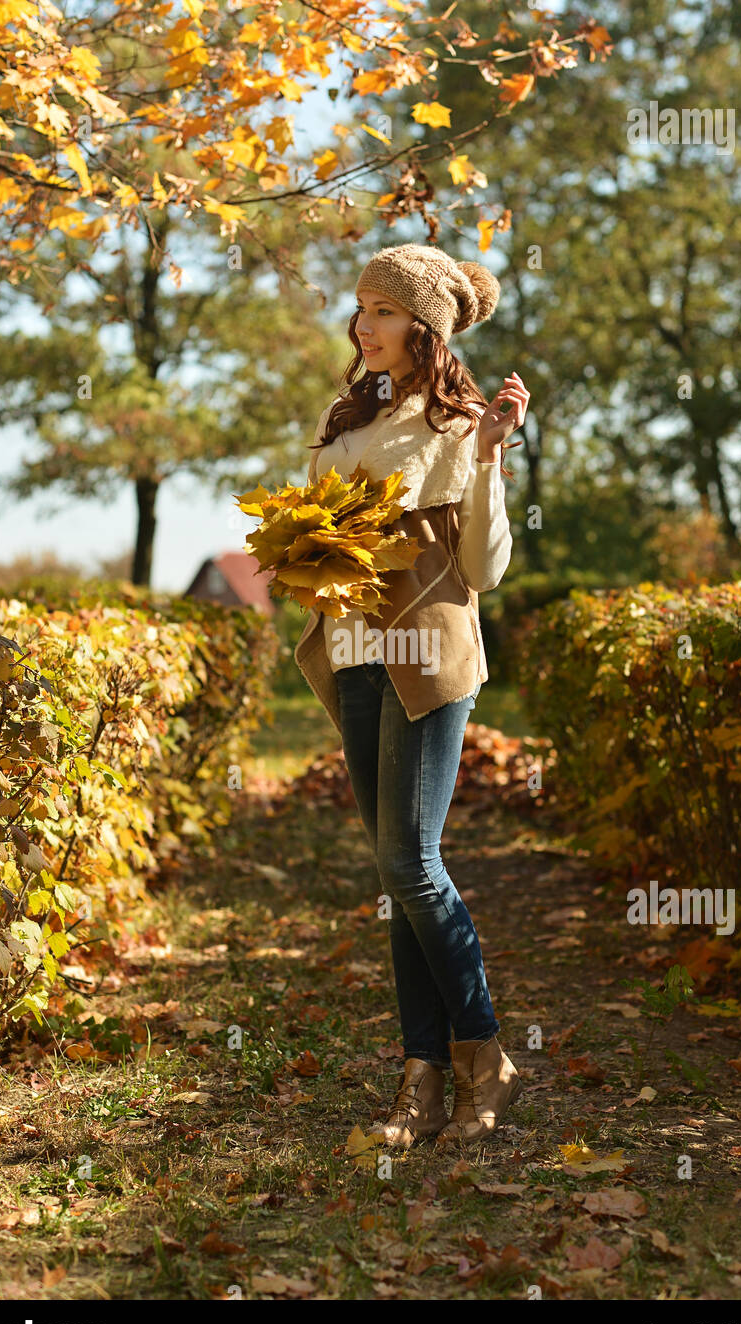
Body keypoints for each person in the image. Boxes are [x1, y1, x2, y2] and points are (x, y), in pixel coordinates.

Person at [294, 242, 530, 1147]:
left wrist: (488, 461)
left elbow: (481, 569)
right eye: (360, 309)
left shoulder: (463, 426)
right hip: (356, 655)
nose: (363, 326)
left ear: (425, 324)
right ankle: (421, 1083)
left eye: (383, 311)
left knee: (409, 863)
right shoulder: (343, 426)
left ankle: (482, 1052)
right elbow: (315, 552)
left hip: (429, 655)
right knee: (397, 873)